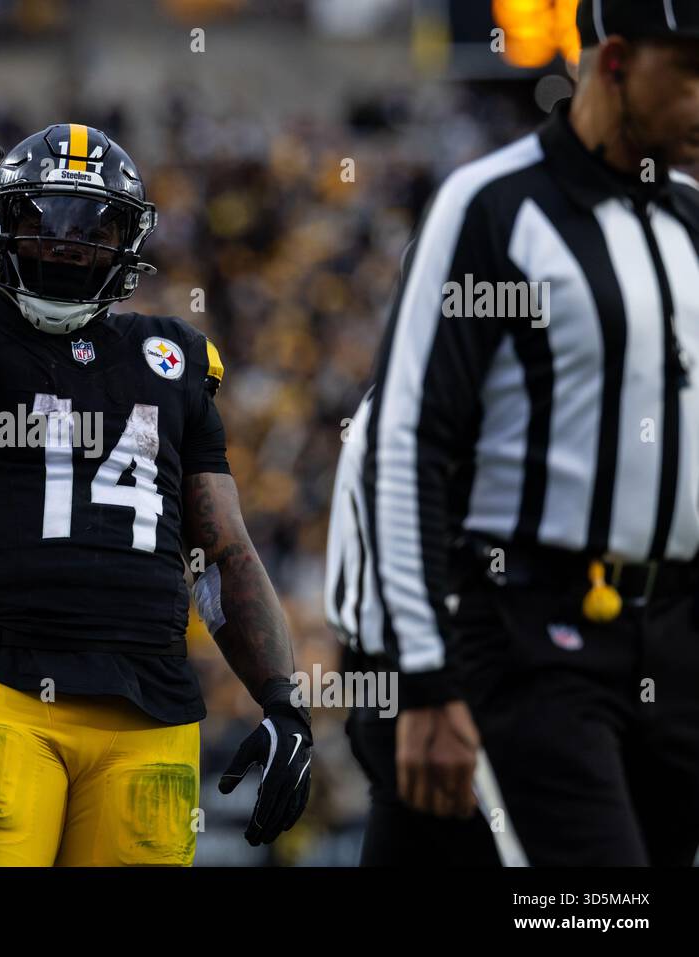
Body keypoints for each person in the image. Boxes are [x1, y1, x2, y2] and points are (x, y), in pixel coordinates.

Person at [0, 110, 311, 865]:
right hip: (10, 695)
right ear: (2, 229)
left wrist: (284, 701)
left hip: (154, 712)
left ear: (127, 244)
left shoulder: (172, 357)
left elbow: (224, 549)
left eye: (91, 230)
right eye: (44, 224)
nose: (67, 245)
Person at [332, 0, 699, 865]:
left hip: (674, 630)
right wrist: (419, 675)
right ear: (613, 61)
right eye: (687, 70)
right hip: (536, 628)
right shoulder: (494, 206)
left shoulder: (687, 216)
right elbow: (406, 440)